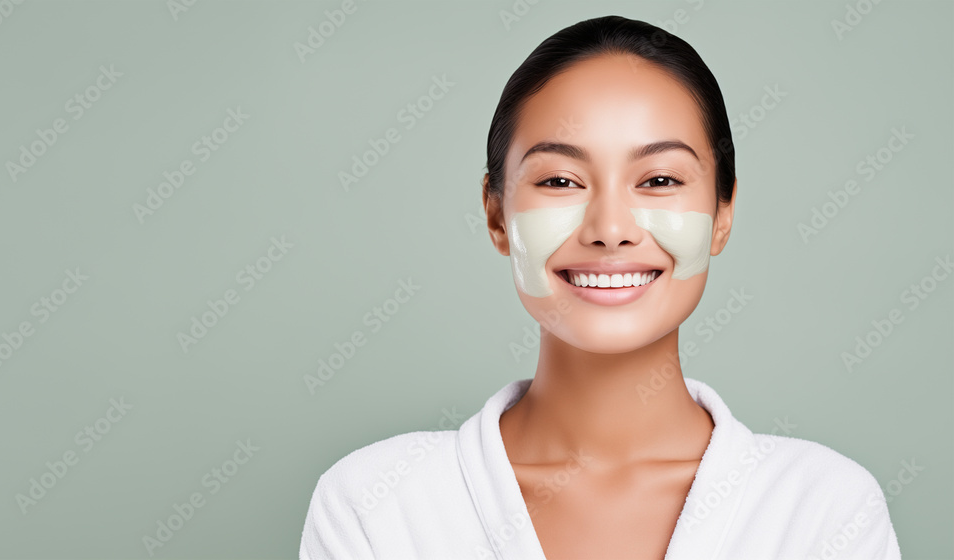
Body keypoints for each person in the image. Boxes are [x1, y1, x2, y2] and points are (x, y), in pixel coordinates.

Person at [300, 15, 901, 559]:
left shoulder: (826, 512)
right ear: (496, 214)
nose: (610, 230)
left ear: (723, 213)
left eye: (660, 179)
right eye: (561, 180)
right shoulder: (374, 508)